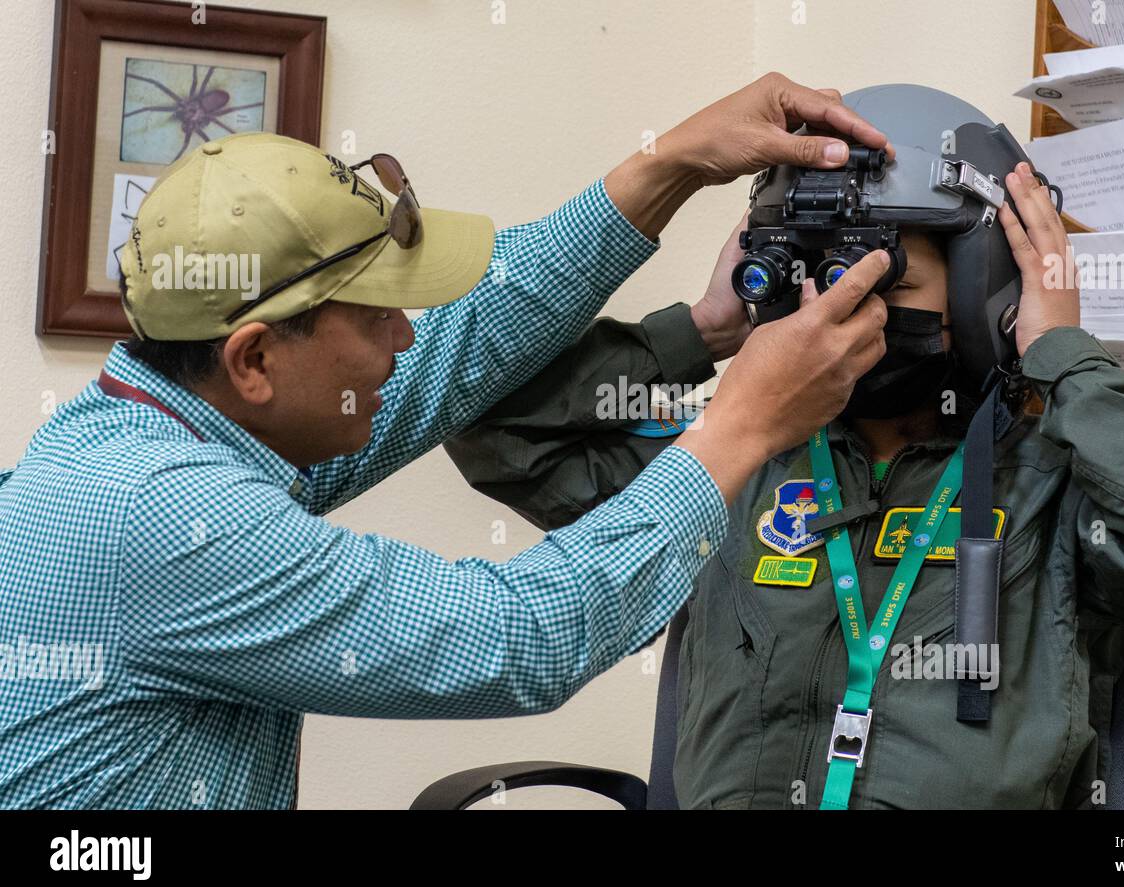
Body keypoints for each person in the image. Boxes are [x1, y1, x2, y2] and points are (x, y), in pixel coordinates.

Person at [0, 74, 898, 809]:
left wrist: (670, 167)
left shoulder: (151, 424)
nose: (405, 334)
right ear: (256, 360)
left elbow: (464, 349)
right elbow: (520, 638)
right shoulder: (167, 516)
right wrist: (742, 423)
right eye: (378, 312)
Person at [444, 163, 1124, 809]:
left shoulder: (1055, 483)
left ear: (982, 287)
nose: (834, 308)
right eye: (812, 277)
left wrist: (1061, 355)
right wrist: (705, 329)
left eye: (882, 281)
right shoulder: (732, 459)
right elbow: (491, 426)